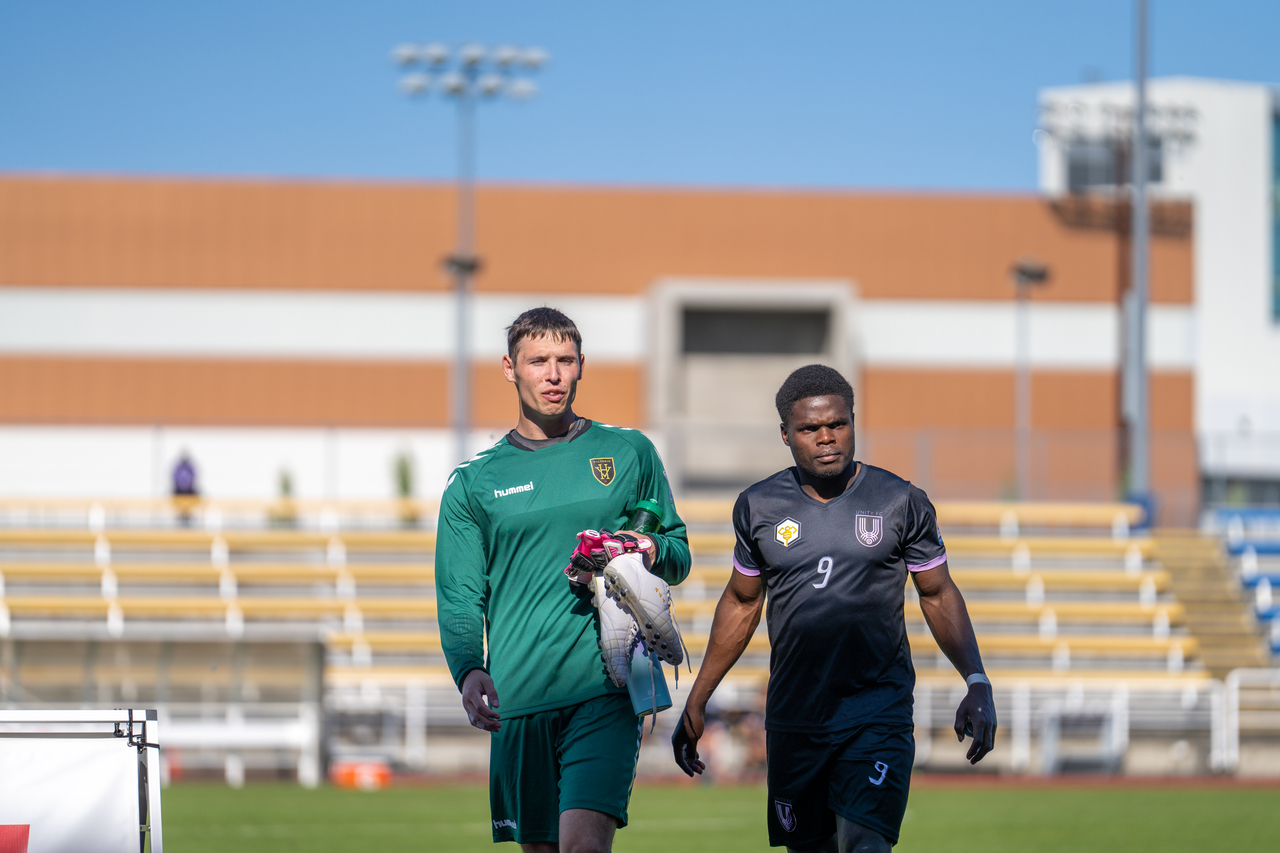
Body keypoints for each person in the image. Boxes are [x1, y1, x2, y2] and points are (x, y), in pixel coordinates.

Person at [672, 364, 996, 853]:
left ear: (852, 422)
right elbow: (741, 603)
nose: (826, 438)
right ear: (785, 434)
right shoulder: (757, 506)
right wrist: (698, 699)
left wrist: (976, 679)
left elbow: (937, 592)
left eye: (837, 425)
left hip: (876, 710)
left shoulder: (900, 500)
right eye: (809, 429)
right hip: (794, 716)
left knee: (866, 844)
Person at [435, 307, 691, 852]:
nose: (553, 374)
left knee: (583, 847)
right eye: (538, 361)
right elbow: (461, 593)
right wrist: (468, 667)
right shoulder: (473, 482)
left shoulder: (629, 453)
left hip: (604, 688)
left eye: (565, 361)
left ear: (581, 367)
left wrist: (637, 545)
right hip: (518, 697)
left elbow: (676, 553)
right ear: (510, 368)